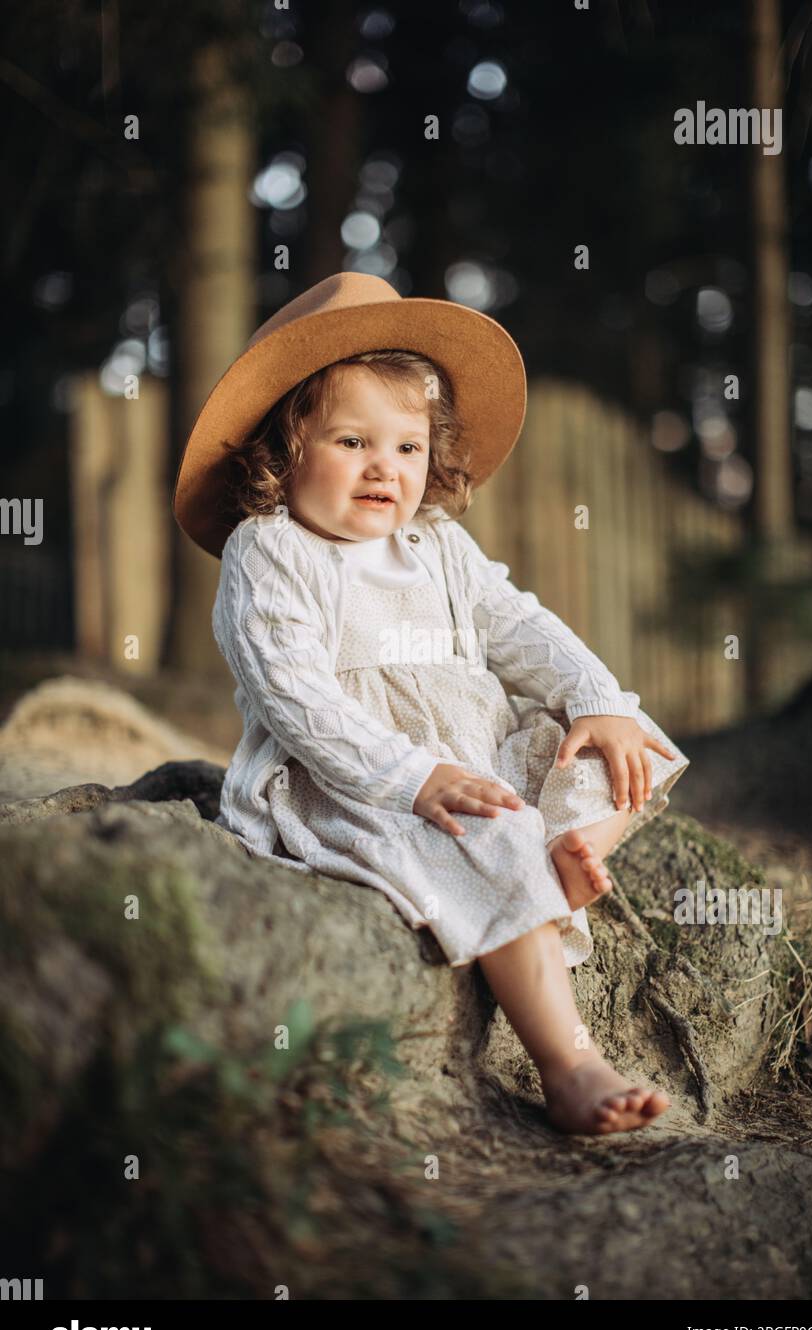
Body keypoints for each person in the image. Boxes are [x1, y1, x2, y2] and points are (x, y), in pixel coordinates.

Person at [172, 272, 690, 1136]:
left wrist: (596, 697)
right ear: (283, 448)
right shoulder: (272, 551)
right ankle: (570, 1064)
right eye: (352, 441)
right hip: (358, 777)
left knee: (626, 739)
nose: (387, 468)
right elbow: (293, 694)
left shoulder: (437, 544)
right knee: (487, 830)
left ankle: (569, 849)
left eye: (408, 448)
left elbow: (517, 624)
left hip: (477, 750)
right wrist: (412, 776)